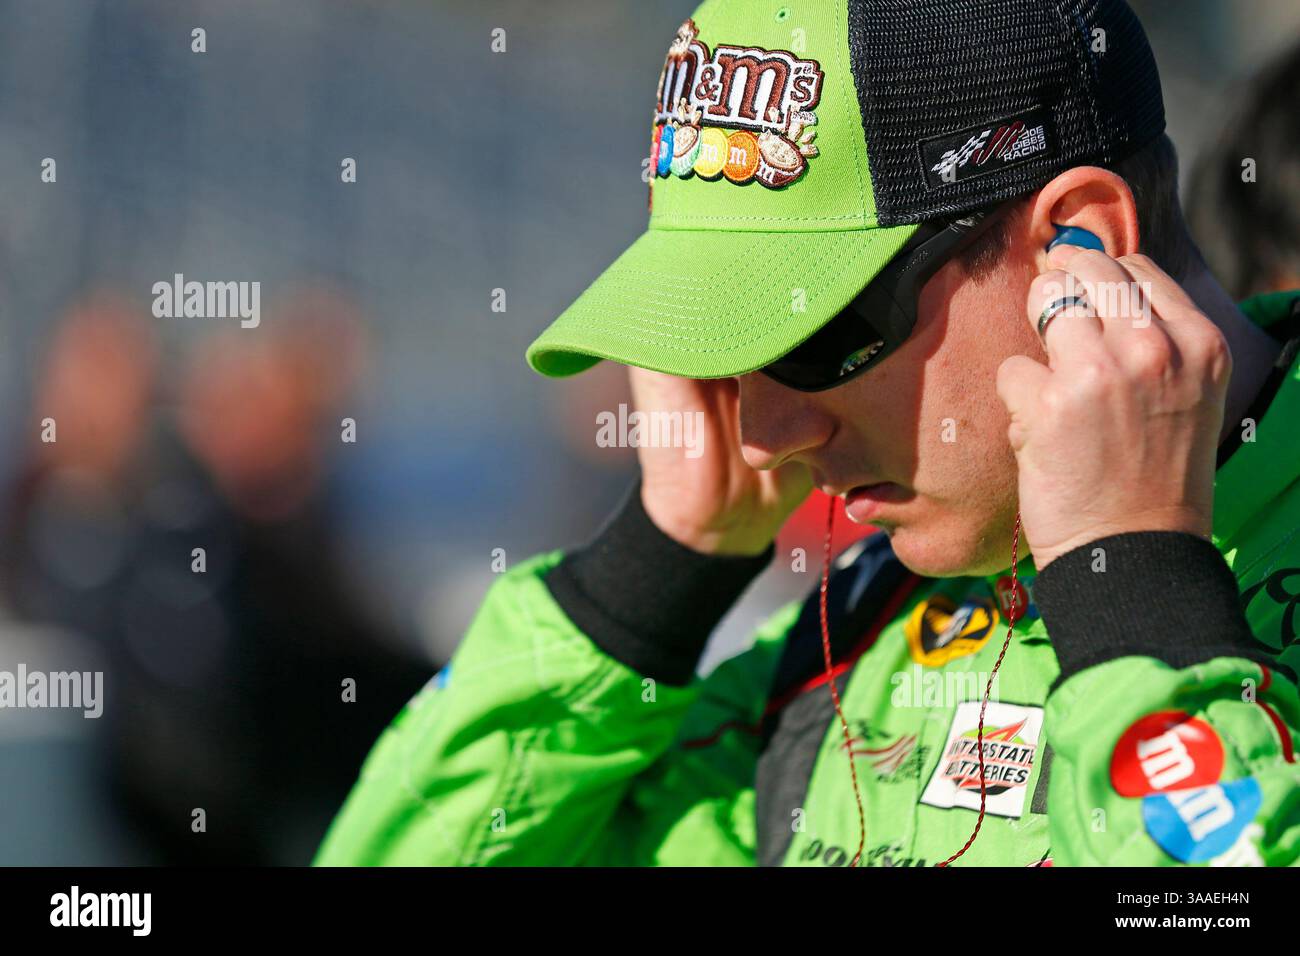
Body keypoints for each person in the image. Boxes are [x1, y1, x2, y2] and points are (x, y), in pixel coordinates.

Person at [316, 0, 1300, 866]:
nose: (762, 432)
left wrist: (1132, 584)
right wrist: (649, 577)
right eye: (722, 349)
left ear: (1075, 242)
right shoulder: (861, 630)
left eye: (812, 334)